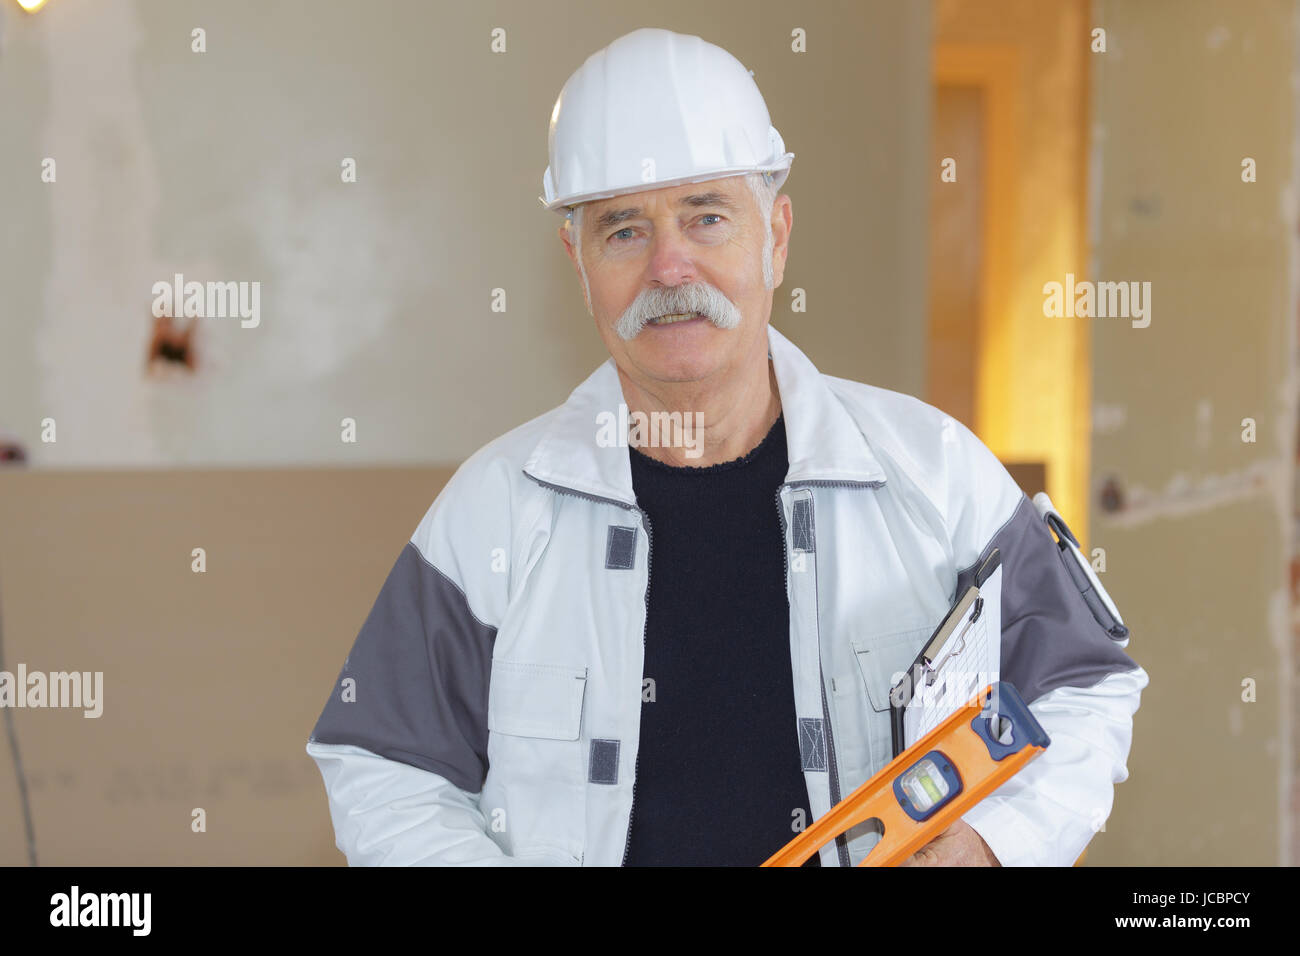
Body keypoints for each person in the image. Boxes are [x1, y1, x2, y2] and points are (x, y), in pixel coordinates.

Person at [306, 26, 1148, 867]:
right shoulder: (492, 510)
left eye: (707, 217)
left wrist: (998, 844)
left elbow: (1086, 684)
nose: (671, 269)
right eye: (624, 230)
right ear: (578, 257)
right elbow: (383, 767)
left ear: (776, 237)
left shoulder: (933, 471)